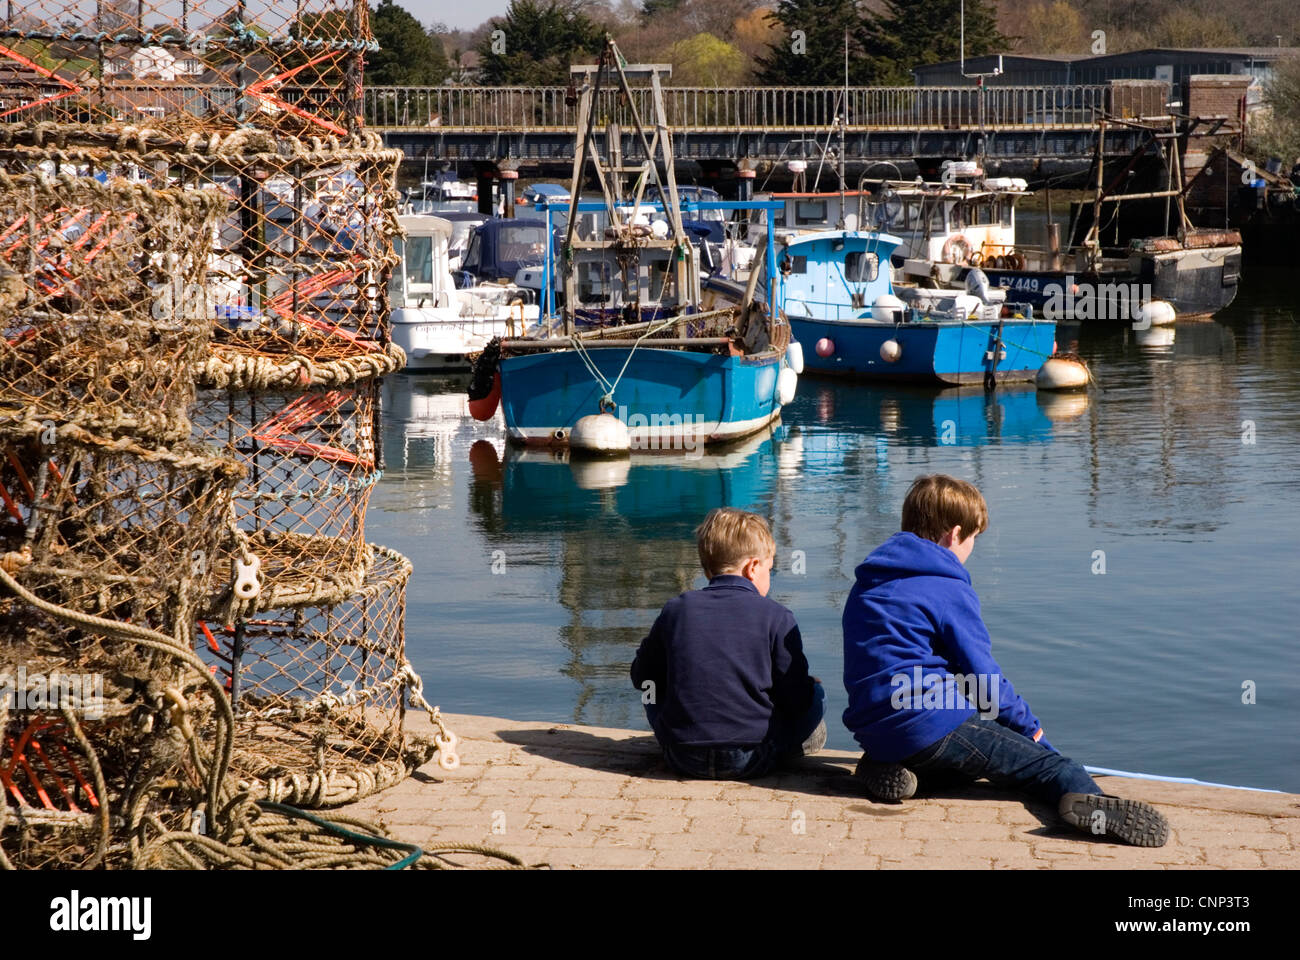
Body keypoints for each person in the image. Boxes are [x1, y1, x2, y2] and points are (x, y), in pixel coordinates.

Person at [842, 474, 1168, 847]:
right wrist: (1032, 732)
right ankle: (1092, 805)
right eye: (974, 539)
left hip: (874, 726)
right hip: (926, 722)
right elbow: (984, 681)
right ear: (955, 534)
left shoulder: (868, 582)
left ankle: (889, 765)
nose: (971, 550)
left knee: (974, 761)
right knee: (1048, 768)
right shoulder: (946, 587)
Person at [631, 507, 826, 780]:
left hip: (682, 755)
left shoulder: (676, 609)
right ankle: (795, 747)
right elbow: (796, 698)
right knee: (816, 696)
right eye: (769, 569)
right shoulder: (777, 616)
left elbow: (642, 677)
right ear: (753, 567)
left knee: (652, 692)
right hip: (751, 758)